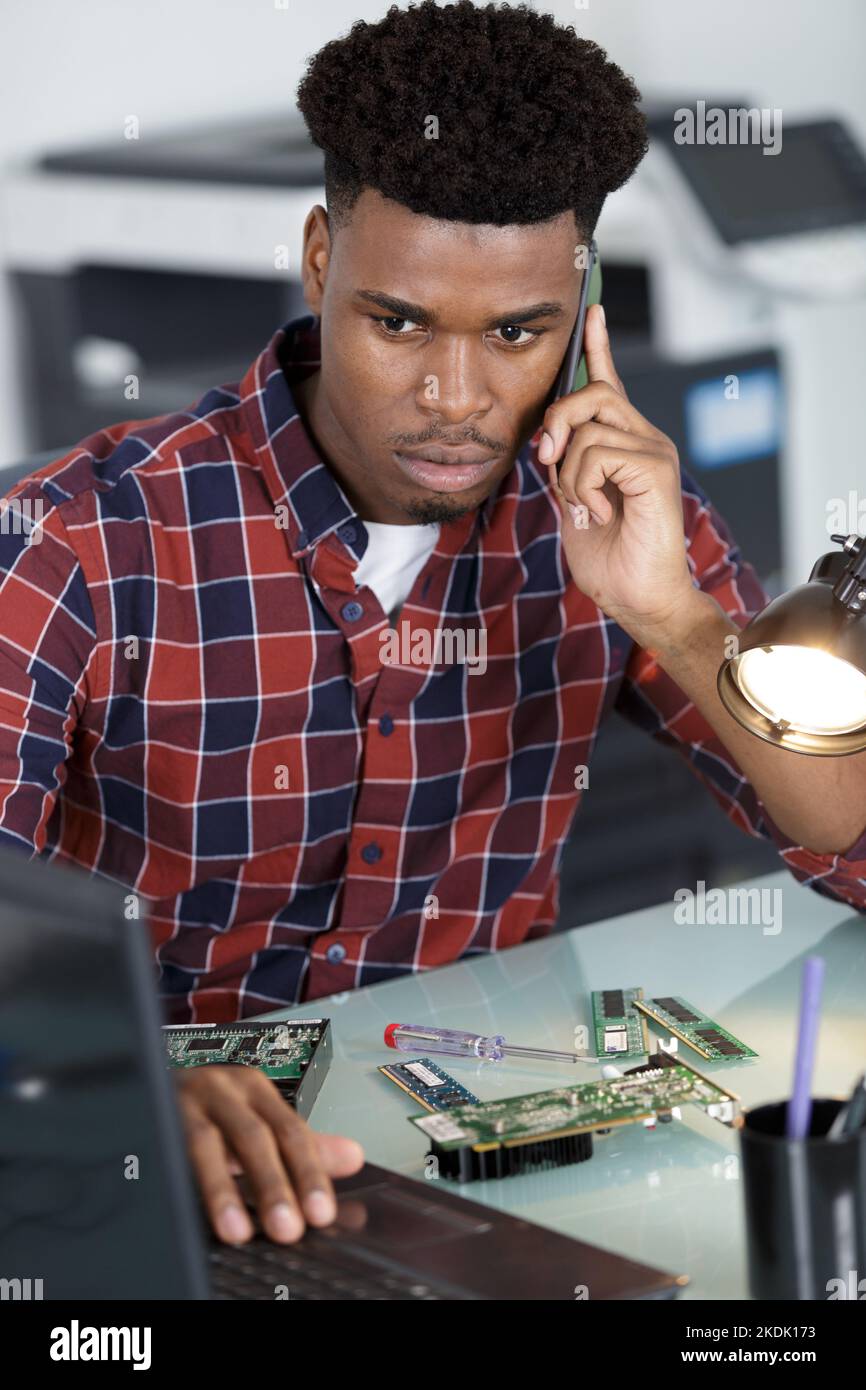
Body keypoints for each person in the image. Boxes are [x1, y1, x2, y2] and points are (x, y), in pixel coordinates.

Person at [2, 1, 864, 1246]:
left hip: (484, 1187)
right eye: (396, 321)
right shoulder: (78, 541)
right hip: (158, 1186)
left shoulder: (607, 515)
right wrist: (119, 1081)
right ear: (318, 262)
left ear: (582, 315)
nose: (454, 402)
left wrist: (671, 614)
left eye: (516, 333)